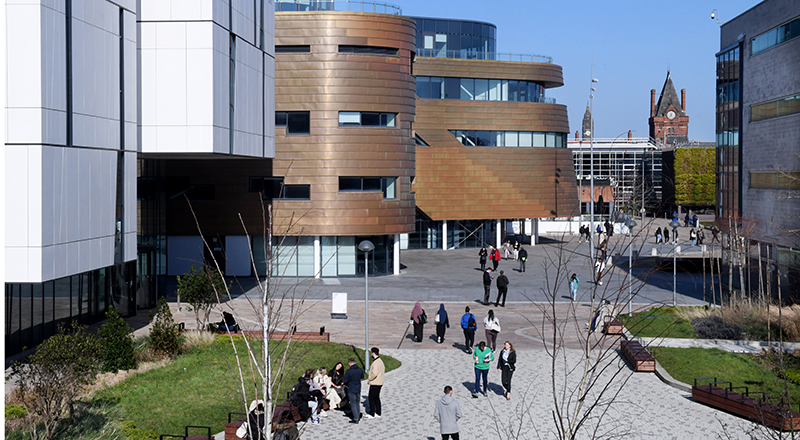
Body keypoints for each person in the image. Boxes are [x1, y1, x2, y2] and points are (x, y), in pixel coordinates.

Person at [364, 347, 384, 419]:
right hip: (379, 382)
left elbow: (374, 373)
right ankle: (378, 412)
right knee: (376, 398)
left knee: (371, 398)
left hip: (375, 383)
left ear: (373, 353)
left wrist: (370, 377)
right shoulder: (380, 361)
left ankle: (372, 413)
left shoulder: (376, 362)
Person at [343, 358, 363, 424]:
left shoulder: (349, 371)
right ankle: (358, 415)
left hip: (351, 389)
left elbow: (345, 380)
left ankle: (355, 418)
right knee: (357, 403)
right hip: (358, 388)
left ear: (349, 363)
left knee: (353, 404)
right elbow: (362, 377)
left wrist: (344, 384)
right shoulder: (359, 369)